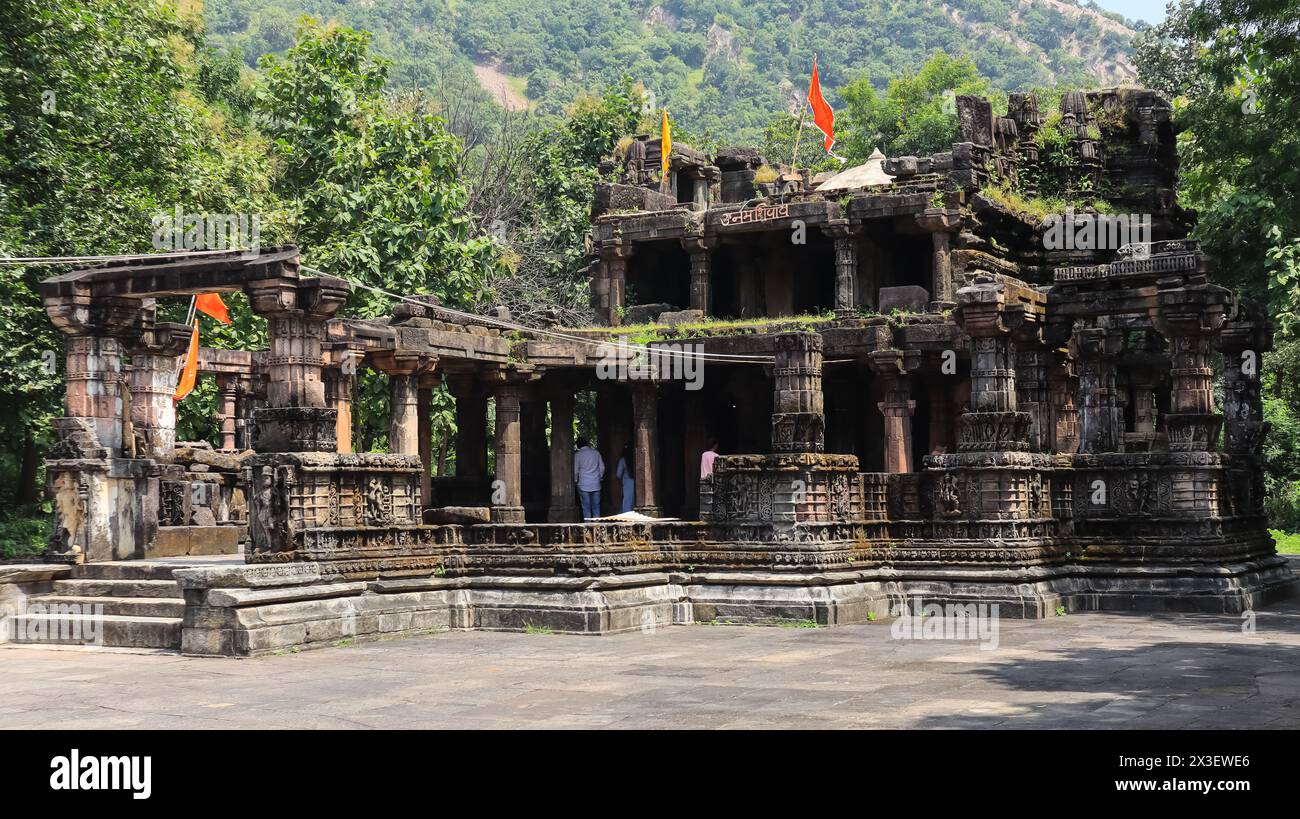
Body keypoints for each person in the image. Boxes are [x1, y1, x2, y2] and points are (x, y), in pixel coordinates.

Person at [573, 436, 605, 520]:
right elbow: (602, 467)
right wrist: (600, 477)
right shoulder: (596, 453)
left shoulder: (577, 455)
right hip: (596, 484)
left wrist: (575, 480)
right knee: (596, 507)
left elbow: (575, 470)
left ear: (578, 445)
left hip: (583, 485)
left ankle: (587, 528)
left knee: (586, 508)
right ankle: (597, 528)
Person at [615, 444, 635, 514]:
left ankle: (627, 518)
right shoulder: (637, 459)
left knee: (627, 502)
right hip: (637, 483)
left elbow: (618, 474)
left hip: (627, 483)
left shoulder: (623, 460)